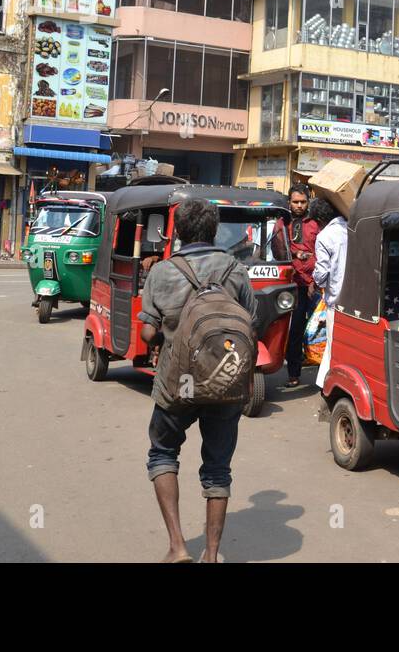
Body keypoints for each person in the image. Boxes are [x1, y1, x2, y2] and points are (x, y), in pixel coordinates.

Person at [139, 198, 257, 563]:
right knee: (218, 468)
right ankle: (212, 554)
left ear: (177, 231)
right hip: (226, 384)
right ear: (214, 230)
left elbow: (145, 334)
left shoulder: (162, 271)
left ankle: (177, 546)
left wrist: (164, 333)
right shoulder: (235, 269)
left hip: (178, 385)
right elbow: (251, 322)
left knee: (163, 453)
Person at [281, 185, 319, 387]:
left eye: (303, 202)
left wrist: (315, 281)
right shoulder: (282, 223)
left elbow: (322, 252)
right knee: (293, 328)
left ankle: (322, 374)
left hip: (315, 284)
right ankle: (293, 374)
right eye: (295, 202)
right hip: (292, 284)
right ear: (289, 202)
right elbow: (276, 248)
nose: (299, 205)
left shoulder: (315, 224)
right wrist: (295, 255)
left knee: (317, 328)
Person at [310, 196, 348, 390]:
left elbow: (322, 272)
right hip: (356, 300)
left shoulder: (325, 236)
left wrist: (315, 283)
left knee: (333, 345)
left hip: (336, 300)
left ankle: (329, 385)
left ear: (318, 220)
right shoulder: (351, 228)